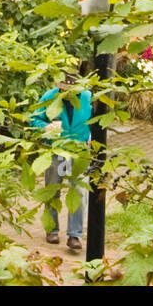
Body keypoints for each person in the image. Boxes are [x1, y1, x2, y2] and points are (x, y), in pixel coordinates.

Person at [31, 76, 92, 252]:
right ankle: (52, 229)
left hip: (79, 151)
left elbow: (97, 123)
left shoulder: (88, 97)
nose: (67, 93)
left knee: (80, 191)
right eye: (64, 90)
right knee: (52, 188)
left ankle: (75, 235)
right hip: (55, 149)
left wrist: (91, 138)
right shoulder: (49, 97)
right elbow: (34, 119)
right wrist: (46, 128)